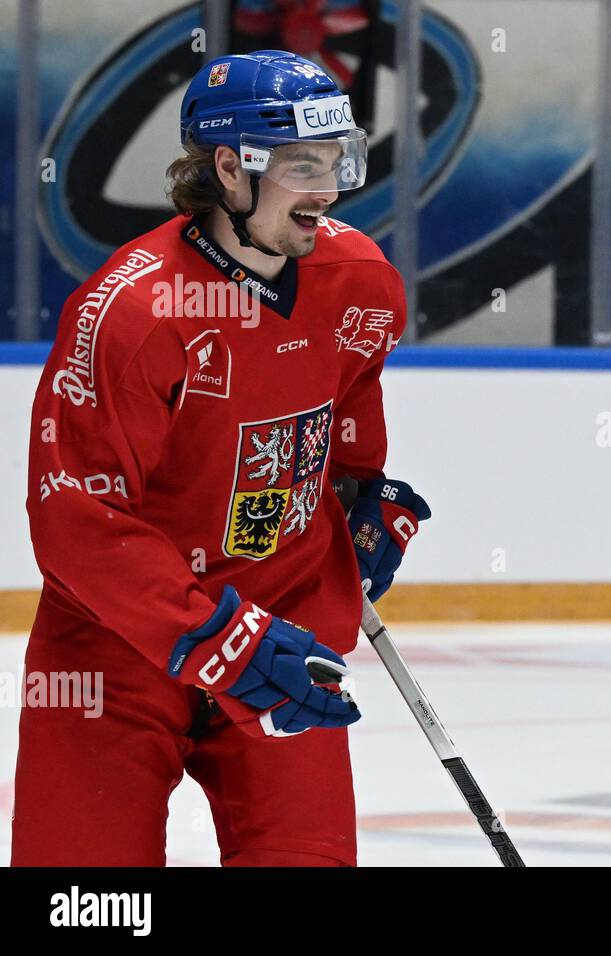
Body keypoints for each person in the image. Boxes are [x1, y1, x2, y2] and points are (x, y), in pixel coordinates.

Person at [12, 50, 430, 866]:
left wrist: (364, 496)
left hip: (284, 624)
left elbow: (344, 414)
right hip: (116, 653)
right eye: (303, 166)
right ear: (230, 168)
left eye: (338, 160)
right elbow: (75, 517)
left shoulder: (361, 280)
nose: (329, 190)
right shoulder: (133, 314)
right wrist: (212, 635)